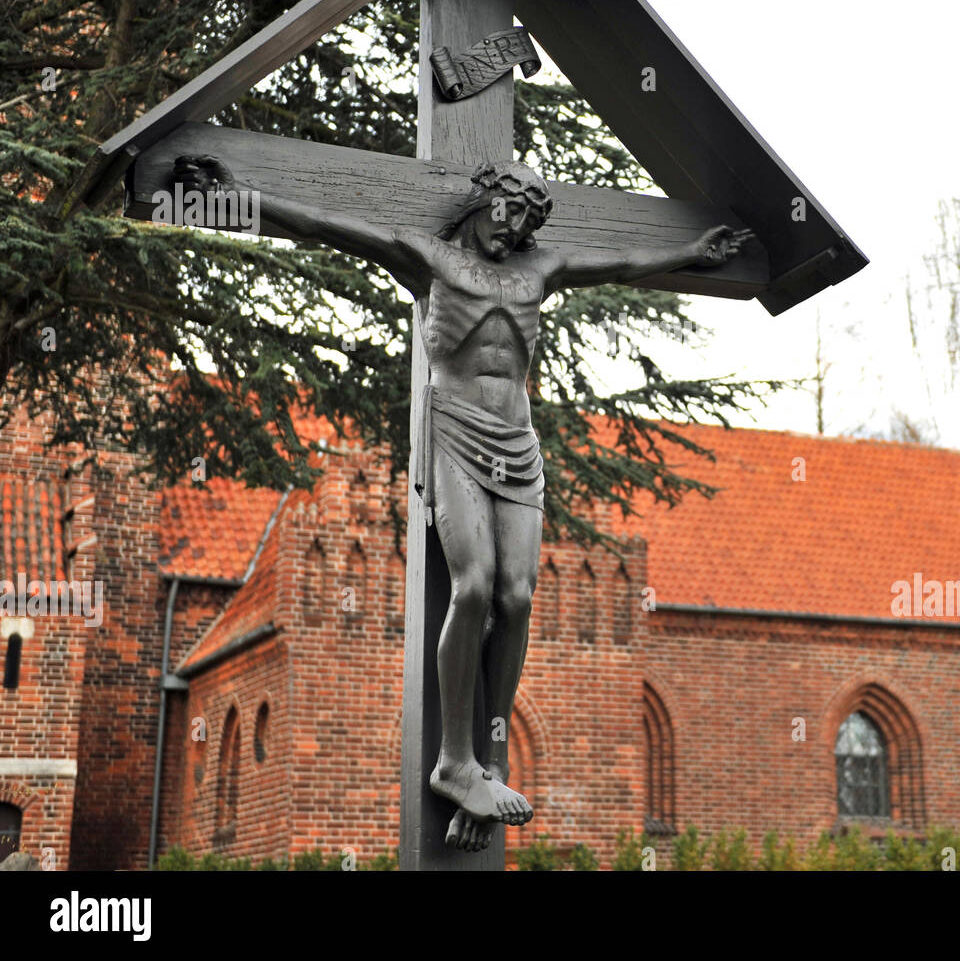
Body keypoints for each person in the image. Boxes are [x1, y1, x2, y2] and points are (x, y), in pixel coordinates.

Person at [189, 156, 750, 848]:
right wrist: (234, 196)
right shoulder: (430, 259)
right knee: (474, 583)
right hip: (454, 431)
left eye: (524, 218)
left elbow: (621, 262)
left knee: (517, 594)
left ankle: (489, 756)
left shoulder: (536, 272)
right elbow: (328, 223)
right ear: (482, 201)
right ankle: (455, 760)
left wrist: (692, 252)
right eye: (503, 209)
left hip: (519, 445)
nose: (510, 226)